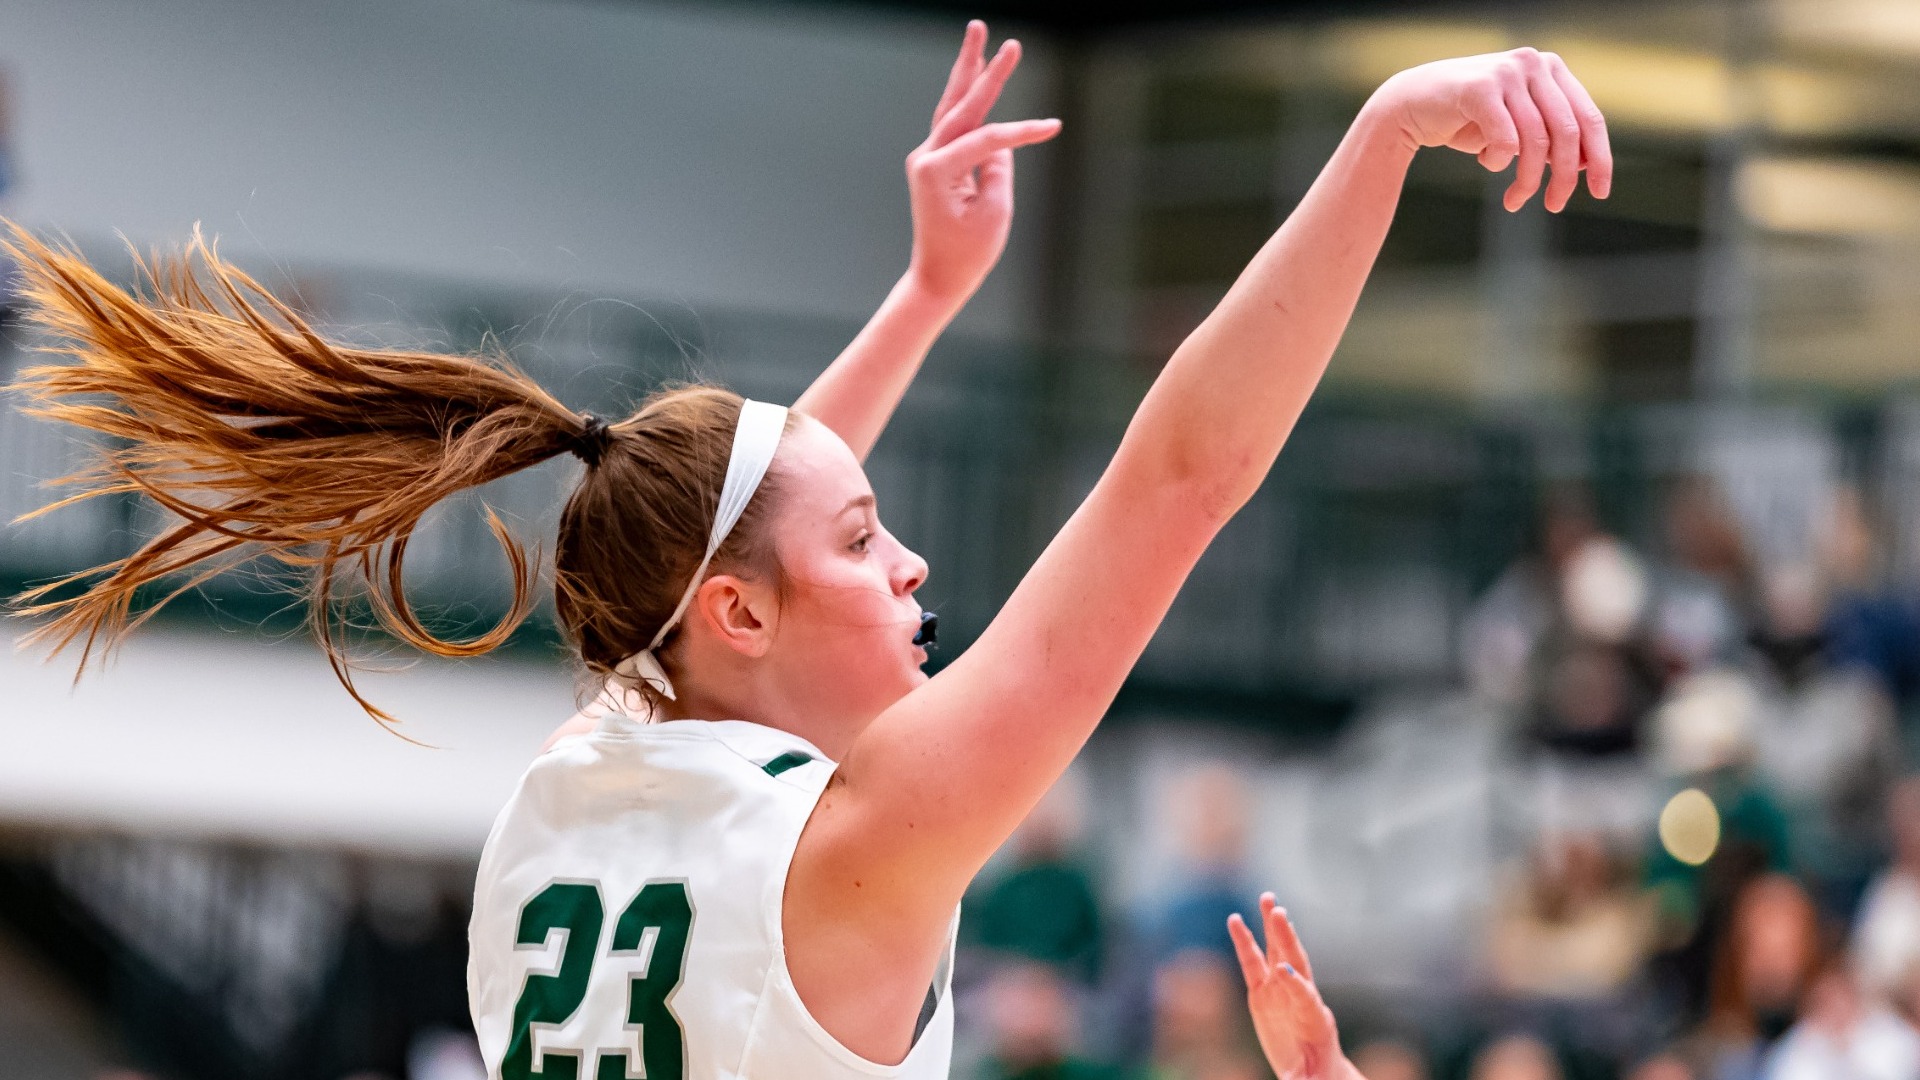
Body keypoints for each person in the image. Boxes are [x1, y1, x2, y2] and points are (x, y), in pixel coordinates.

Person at [6, 15, 1611, 1079]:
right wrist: (1386, 135)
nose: (913, 565)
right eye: (870, 537)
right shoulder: (858, 848)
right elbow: (1181, 474)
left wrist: (925, 299)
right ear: (740, 617)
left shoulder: (582, 773)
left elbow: (717, 540)